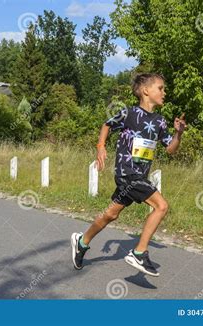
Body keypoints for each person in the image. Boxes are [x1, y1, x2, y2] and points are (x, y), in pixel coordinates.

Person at [71, 73, 187, 276]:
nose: (164, 92)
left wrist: (179, 133)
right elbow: (107, 125)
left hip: (139, 176)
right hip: (127, 173)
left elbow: (170, 149)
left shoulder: (159, 121)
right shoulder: (129, 113)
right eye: (160, 88)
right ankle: (139, 252)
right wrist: (100, 146)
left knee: (111, 214)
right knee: (161, 206)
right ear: (145, 91)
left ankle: (82, 241)